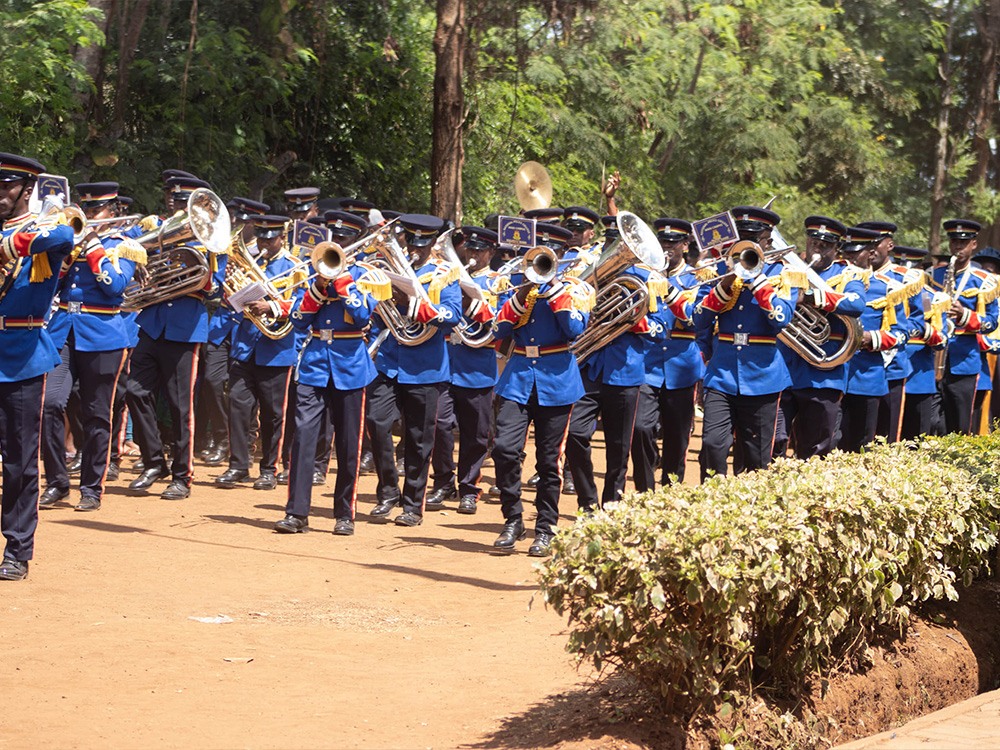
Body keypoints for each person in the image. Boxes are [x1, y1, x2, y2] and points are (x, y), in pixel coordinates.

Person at [39, 181, 143, 512]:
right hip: (62, 331)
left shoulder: (125, 246)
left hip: (102, 333)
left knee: (98, 413)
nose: (89, 214)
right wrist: (65, 256)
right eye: (87, 209)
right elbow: (49, 285)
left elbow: (115, 288)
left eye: (96, 210)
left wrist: (94, 247)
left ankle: (91, 488)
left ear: (112, 214)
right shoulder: (69, 244)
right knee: (49, 404)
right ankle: (56, 481)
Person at [125, 175, 225, 500]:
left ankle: (182, 475)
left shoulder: (209, 238)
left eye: (182, 200)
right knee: (135, 392)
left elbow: (216, 288)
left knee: (181, 405)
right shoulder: (154, 230)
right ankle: (153, 460)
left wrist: (192, 272)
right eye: (171, 197)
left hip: (184, 327)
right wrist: (139, 262)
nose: (174, 202)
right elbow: (128, 253)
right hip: (152, 323)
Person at [0, 152, 75, 580]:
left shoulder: (47, 229)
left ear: (27, 189)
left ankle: (17, 549)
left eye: (6, 185)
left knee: (19, 461)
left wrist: (11, 243)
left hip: (21, 355)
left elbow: (61, 236)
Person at [274, 256, 390, 534]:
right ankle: (296, 512)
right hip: (315, 365)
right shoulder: (314, 281)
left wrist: (343, 285)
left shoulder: (362, 279)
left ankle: (345, 513)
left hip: (350, 365)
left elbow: (364, 317)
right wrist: (317, 288)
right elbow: (298, 321)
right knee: (302, 437)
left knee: (349, 442)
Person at [491, 256, 593, 555]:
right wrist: (522, 296)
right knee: (504, 449)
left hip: (557, 380)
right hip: (518, 377)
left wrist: (557, 293)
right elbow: (499, 331)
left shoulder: (574, 291)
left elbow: (574, 329)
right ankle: (513, 519)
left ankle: (546, 527)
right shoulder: (518, 293)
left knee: (549, 461)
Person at [367, 214, 462, 527]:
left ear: (433, 243)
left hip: (426, 368)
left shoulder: (444, 273)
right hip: (390, 361)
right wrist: (383, 301)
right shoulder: (389, 271)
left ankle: (412, 505)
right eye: (411, 241)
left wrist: (411, 303)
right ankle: (388, 490)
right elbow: (379, 317)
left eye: (423, 243)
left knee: (419, 440)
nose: (415, 249)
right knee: (377, 423)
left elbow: (451, 315)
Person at [694, 206, 797, 480]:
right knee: (713, 446)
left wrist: (758, 280)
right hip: (722, 374)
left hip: (763, 376)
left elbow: (781, 318)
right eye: (742, 238)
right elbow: (698, 319)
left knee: (757, 458)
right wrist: (725, 284)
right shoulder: (716, 270)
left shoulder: (784, 274)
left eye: (755, 239)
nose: (747, 245)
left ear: (768, 240)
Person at [214, 215, 304, 490]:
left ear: (282, 237)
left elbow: (302, 304)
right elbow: (229, 299)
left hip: (277, 350)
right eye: (261, 236)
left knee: (273, 413)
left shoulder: (294, 268)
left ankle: (270, 468)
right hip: (245, 347)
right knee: (239, 406)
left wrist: (274, 308)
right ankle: (239, 465)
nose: (264, 242)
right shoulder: (250, 263)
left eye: (271, 237)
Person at [775, 216, 865, 459]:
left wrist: (814, 298)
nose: (818, 249)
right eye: (813, 243)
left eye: (825, 246)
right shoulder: (789, 271)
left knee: (815, 449)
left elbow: (857, 304)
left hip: (823, 376)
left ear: (837, 248)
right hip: (782, 370)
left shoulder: (847, 275)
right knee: (774, 442)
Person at [426, 225, 499, 514]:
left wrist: (473, 303)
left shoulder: (498, 282)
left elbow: (500, 321)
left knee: (476, 433)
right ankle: (443, 480)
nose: (473, 255)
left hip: (477, 366)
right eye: (470, 250)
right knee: (438, 424)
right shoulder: (448, 277)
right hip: (446, 363)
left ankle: (469, 487)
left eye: (480, 251)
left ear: (491, 253)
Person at [631, 218, 704, 488]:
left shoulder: (698, 278)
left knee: (678, 436)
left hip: (681, 365)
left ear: (685, 245)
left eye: (672, 243)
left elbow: (695, 319)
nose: (666, 248)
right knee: (639, 428)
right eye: (662, 242)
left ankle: (671, 491)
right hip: (646, 363)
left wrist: (670, 290)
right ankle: (644, 489)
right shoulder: (641, 273)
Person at [197, 196, 269, 466]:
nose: (236, 224)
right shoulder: (221, 248)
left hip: (250, 327)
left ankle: (247, 440)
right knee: (212, 381)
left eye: (242, 220)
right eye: (234, 218)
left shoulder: (265, 253)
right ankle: (221, 437)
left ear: (255, 224)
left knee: (245, 388)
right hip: (222, 324)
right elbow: (212, 286)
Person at [837, 227, 908, 452]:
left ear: (869, 253)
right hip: (830, 376)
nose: (848, 257)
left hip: (865, 377)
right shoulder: (830, 283)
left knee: (861, 448)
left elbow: (901, 334)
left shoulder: (888, 288)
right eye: (845, 251)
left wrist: (871, 339)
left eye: (854, 252)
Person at [857, 221, 925, 443]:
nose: (873, 248)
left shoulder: (907, 278)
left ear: (891, 245)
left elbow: (919, 322)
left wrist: (896, 334)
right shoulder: (851, 274)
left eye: (878, 243)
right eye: (869, 244)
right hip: (856, 365)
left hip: (892, 366)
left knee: (887, 435)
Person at [931, 219, 1000, 434]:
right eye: (954, 242)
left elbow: (991, 322)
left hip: (963, 360)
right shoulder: (934, 275)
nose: (958, 247)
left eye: (963, 243)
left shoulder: (984, 280)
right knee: (932, 423)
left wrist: (965, 316)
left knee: (960, 425)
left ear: (973, 244)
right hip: (932, 358)